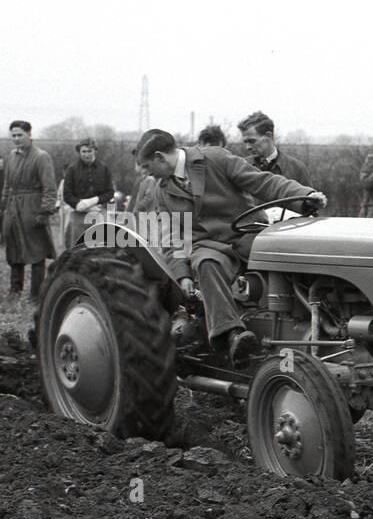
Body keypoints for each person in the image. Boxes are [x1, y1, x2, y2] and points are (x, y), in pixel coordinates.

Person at [137, 128, 326, 364]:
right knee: (206, 263)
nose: (146, 173)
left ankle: (317, 324)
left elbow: (262, 182)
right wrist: (182, 274)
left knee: (288, 253)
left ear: (159, 157)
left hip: (245, 234)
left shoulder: (214, 158)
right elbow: (171, 238)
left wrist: (304, 196)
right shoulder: (161, 192)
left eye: (146, 166)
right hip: (207, 246)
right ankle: (233, 335)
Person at [1, 121, 56, 299]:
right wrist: (4, 205)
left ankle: (36, 294)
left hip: (32, 207)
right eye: (13, 135)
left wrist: (44, 211)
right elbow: (7, 184)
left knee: (36, 251)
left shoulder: (41, 157)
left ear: (29, 135)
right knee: (14, 249)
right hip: (13, 207)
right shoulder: (11, 156)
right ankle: (15, 290)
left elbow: (49, 188)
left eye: (20, 135)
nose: (16, 139)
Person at [62, 138, 117, 246]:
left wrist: (94, 201)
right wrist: (80, 205)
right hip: (79, 215)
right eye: (84, 151)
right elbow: (67, 194)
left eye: (89, 151)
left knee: (101, 245)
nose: (86, 155)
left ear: (95, 151)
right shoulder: (72, 169)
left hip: (99, 212)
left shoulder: (103, 168)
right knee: (78, 246)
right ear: (79, 152)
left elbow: (110, 192)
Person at [237, 112, 312, 186]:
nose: (248, 147)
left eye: (252, 141)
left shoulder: (297, 169)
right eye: (245, 142)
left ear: (269, 136)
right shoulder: (242, 167)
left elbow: (308, 197)